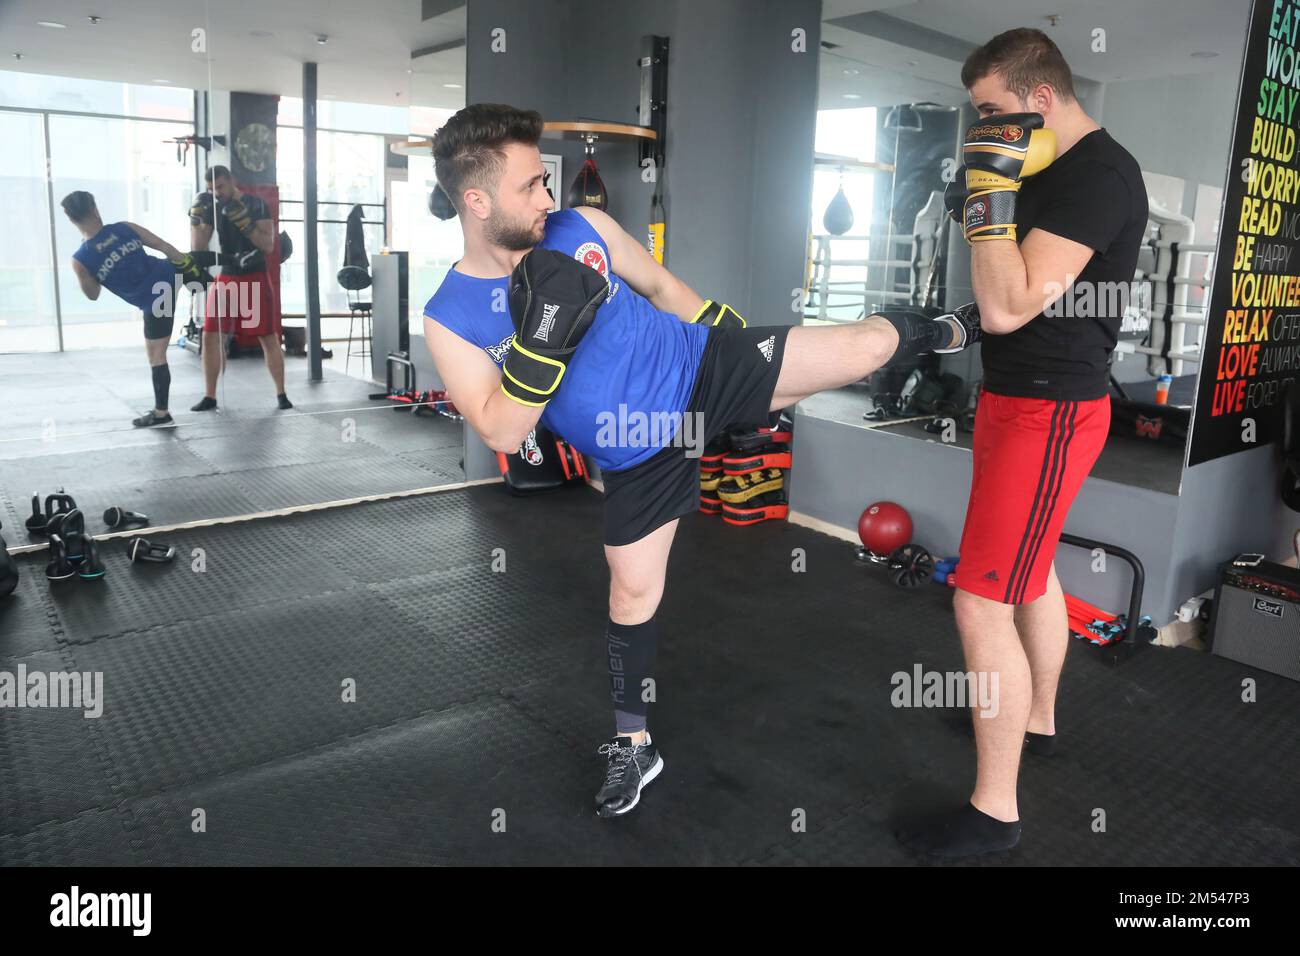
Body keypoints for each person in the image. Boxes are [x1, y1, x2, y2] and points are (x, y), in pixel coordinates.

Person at [422, 104, 981, 818]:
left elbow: (662, 287)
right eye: (532, 185)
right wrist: (542, 341)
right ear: (476, 200)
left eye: (546, 181)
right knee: (630, 596)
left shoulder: (581, 231)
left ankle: (949, 325)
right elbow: (502, 432)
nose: (548, 198)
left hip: (704, 367)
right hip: (640, 453)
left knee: (865, 348)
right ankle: (634, 745)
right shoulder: (450, 315)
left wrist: (744, 348)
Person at [897, 28, 1148, 859]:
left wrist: (985, 196)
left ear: (1040, 99)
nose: (984, 129)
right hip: (1016, 400)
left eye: (992, 111)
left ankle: (993, 811)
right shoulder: (1050, 169)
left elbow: (1010, 305)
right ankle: (1032, 717)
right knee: (1029, 571)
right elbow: (1003, 304)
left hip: (1050, 413)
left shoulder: (1100, 176)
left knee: (979, 598)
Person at [63, 190, 211, 427]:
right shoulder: (124, 228)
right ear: (94, 209)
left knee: (156, 355)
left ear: (72, 220)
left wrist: (90, 273)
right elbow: (164, 246)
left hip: (155, 298)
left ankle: (161, 413)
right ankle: (236, 263)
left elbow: (92, 295)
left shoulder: (81, 259)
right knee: (192, 261)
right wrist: (187, 266)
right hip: (166, 274)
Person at [188, 165, 291, 411]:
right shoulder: (213, 207)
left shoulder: (256, 205)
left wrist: (245, 223)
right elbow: (198, 248)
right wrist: (196, 221)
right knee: (210, 336)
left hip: (254, 276)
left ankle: (281, 394)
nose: (217, 193)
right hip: (227, 277)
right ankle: (210, 396)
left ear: (231, 182)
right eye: (212, 189)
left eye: (220, 187)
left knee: (267, 337)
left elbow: (267, 245)